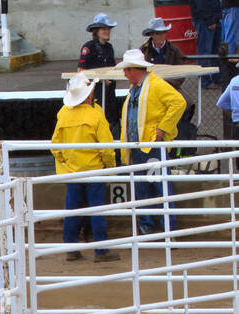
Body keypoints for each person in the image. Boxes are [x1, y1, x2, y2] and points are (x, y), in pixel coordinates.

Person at [51, 73, 120, 264]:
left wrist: (66, 162)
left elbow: (55, 145)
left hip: (73, 172)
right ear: (88, 95)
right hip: (94, 171)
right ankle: (101, 249)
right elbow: (107, 148)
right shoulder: (96, 114)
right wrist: (110, 169)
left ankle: (71, 248)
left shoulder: (64, 113)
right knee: (97, 210)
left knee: (73, 210)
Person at [119, 48, 185, 234]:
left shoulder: (154, 85)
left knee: (159, 187)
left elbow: (178, 102)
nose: (124, 74)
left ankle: (165, 230)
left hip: (150, 146)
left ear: (134, 70)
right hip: (140, 145)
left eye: (126, 70)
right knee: (145, 188)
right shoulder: (139, 88)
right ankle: (152, 229)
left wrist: (162, 129)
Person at [79, 13, 119, 133]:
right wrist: (100, 78)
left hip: (110, 92)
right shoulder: (88, 47)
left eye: (108, 29)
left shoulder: (109, 47)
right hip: (95, 93)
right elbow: (81, 71)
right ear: (96, 31)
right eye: (103, 29)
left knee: (112, 120)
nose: (107, 31)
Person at [192, 0, 222, 86]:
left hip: (214, 20)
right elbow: (200, 5)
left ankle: (217, 79)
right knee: (204, 52)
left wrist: (215, 19)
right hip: (205, 21)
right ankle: (205, 81)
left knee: (215, 52)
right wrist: (210, 20)